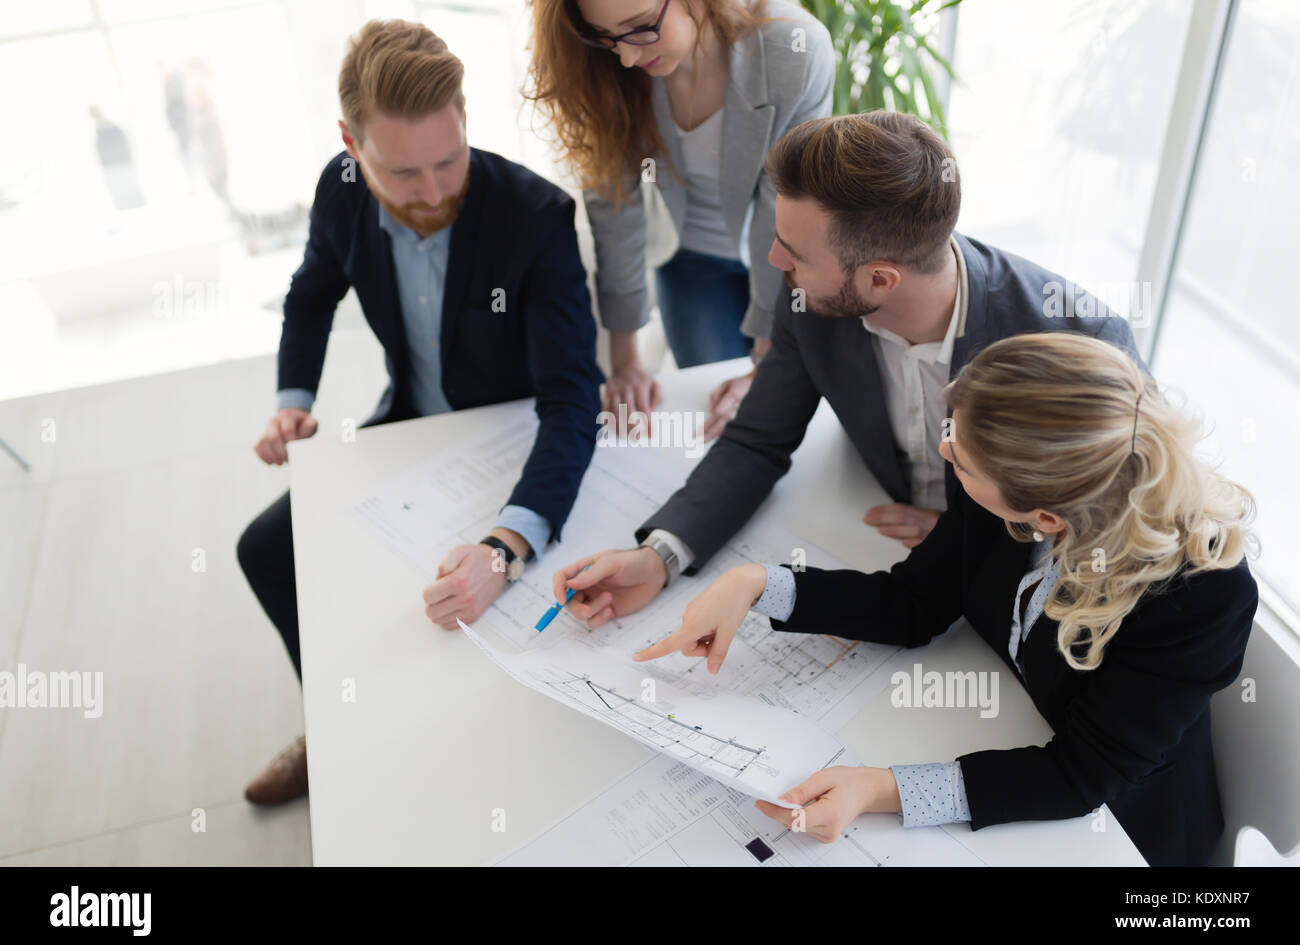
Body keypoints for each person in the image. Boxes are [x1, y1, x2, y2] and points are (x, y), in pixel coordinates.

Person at [629, 332, 1260, 866]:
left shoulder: (1203, 599)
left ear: (1045, 516)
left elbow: (1078, 776)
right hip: (1006, 727)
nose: (944, 450)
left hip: (1122, 841)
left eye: (960, 460)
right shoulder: (1000, 483)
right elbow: (912, 603)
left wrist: (881, 789)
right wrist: (759, 584)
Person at [551, 110, 1149, 623]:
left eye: (796, 253)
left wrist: (973, 538)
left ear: (880, 279)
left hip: (1004, 609)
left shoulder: (1080, 340)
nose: (773, 258)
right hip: (873, 552)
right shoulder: (809, 300)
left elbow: (1113, 523)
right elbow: (756, 441)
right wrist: (660, 555)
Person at [236, 19, 604, 805]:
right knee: (264, 549)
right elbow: (308, 298)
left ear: (465, 122)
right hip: (411, 419)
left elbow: (575, 399)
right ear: (351, 142)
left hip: (519, 439)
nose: (435, 193)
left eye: (450, 161)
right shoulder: (338, 192)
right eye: (404, 174)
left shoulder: (534, 216)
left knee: (486, 609)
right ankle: (332, 729)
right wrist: (292, 402)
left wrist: (506, 546)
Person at [526, 0, 834, 439]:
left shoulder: (793, 48)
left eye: (639, 28)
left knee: (775, 407)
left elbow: (782, 212)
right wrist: (626, 362)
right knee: (707, 410)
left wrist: (766, 360)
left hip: (784, 257)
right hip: (689, 258)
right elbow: (617, 213)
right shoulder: (606, 68)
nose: (628, 58)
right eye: (607, 37)